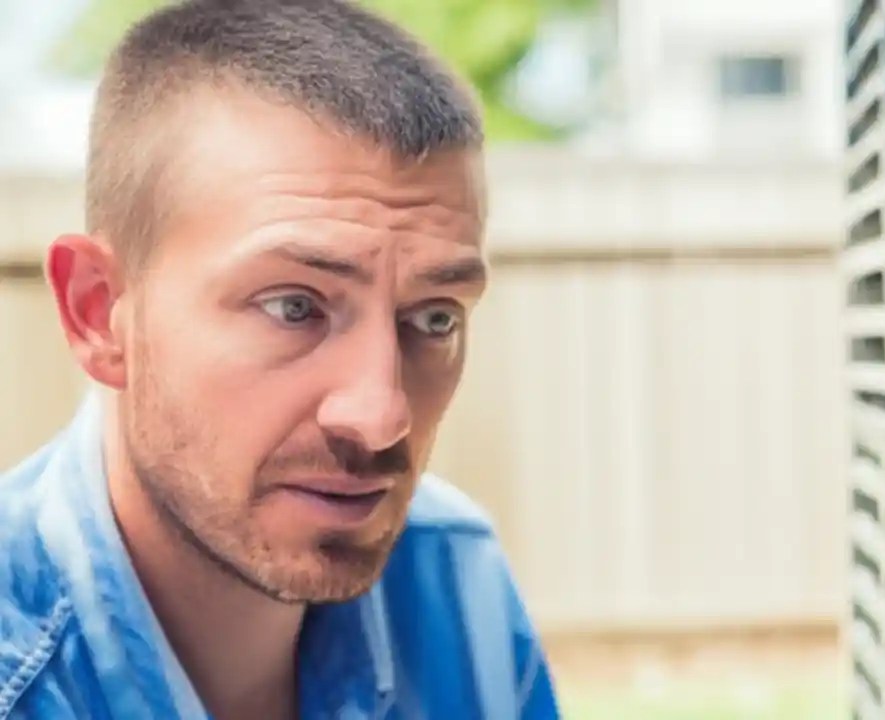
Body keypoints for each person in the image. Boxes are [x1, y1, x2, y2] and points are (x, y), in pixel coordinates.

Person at [0, 1, 558, 718]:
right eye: (294, 307)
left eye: (433, 318)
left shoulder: (456, 585)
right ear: (99, 312)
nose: (380, 417)